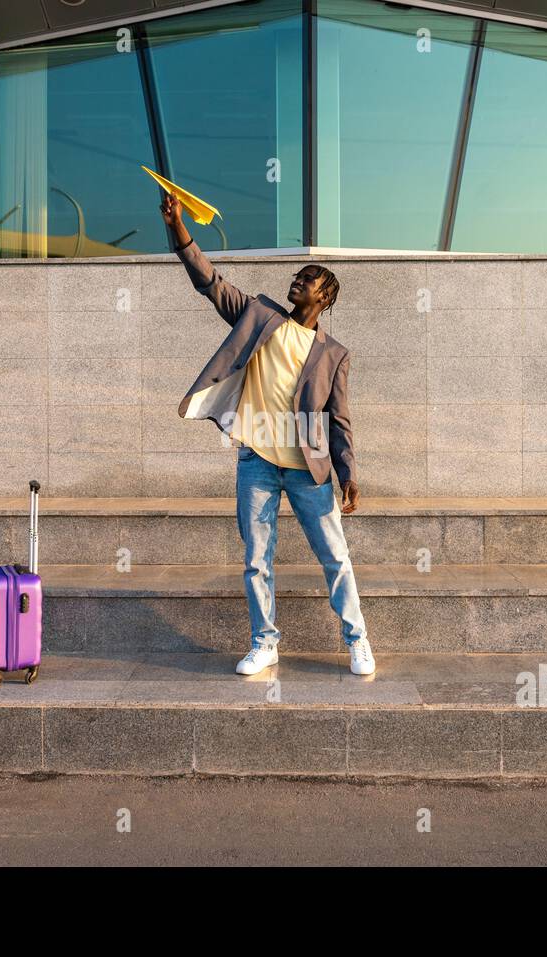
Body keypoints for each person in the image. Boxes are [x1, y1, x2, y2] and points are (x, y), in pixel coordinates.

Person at [159, 193, 374, 676]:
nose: (297, 281)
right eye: (297, 277)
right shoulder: (260, 316)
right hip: (256, 460)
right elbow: (208, 282)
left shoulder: (334, 354)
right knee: (257, 560)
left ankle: (357, 641)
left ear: (325, 297)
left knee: (335, 558)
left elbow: (339, 419)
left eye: (308, 279)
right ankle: (265, 642)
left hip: (309, 465)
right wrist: (179, 230)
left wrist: (348, 474)